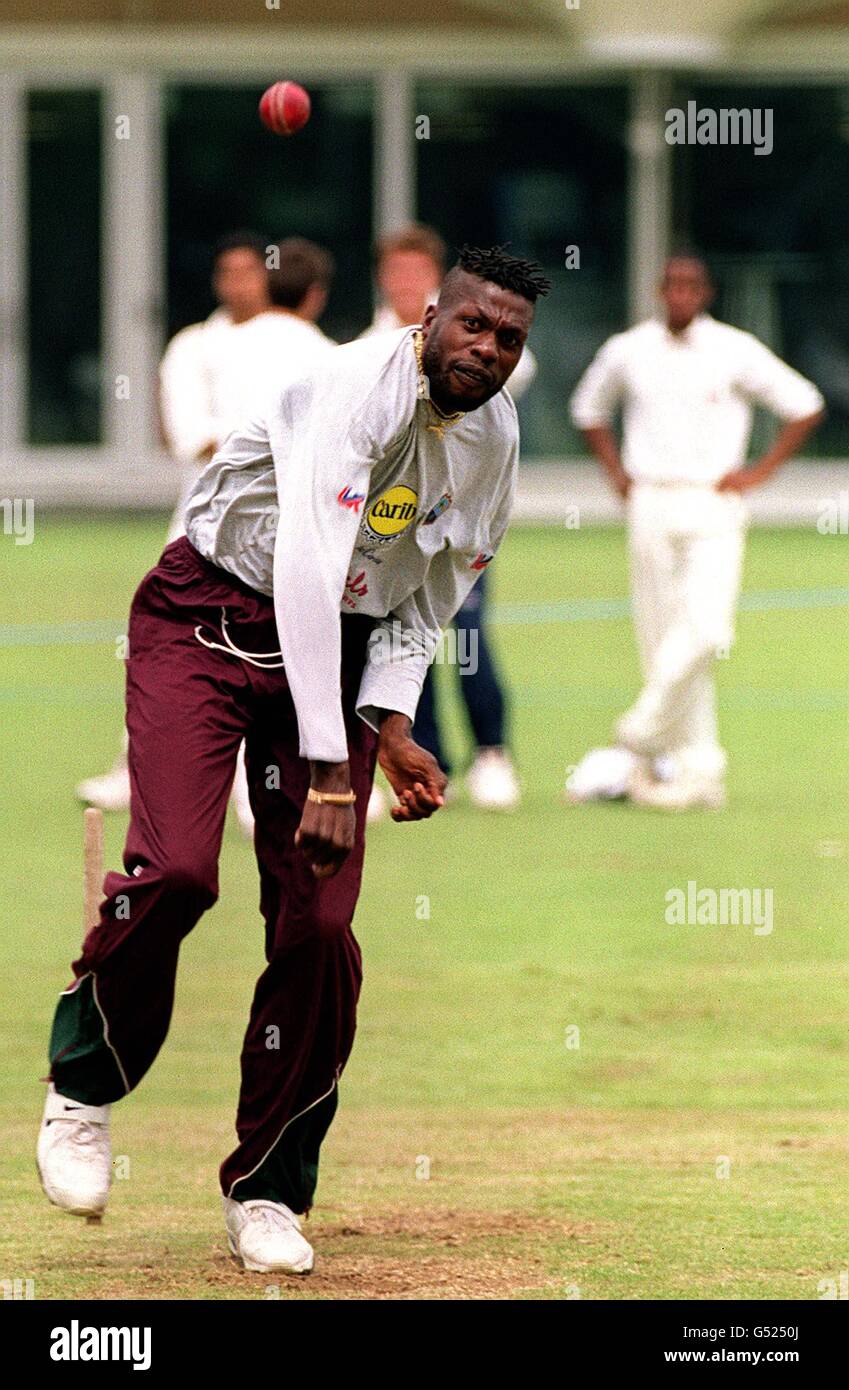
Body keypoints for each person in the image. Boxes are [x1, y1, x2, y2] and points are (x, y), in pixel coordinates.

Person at [37, 246, 550, 1276]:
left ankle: (268, 1186)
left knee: (318, 926)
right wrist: (330, 764)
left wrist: (393, 718)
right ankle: (83, 1087)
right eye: (473, 324)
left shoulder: (494, 438)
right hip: (205, 621)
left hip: (342, 649)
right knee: (180, 870)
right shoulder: (353, 388)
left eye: (509, 338)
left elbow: (431, 591)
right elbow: (310, 573)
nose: (487, 348)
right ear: (430, 314)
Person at [75, 234, 336, 835]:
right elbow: (191, 436)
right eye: (230, 273)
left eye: (251, 273)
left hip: (287, 526)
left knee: (277, 645)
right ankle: (139, 766)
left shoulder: (316, 349)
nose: (240, 285)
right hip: (202, 519)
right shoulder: (196, 346)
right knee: (172, 644)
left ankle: (277, 784)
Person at [567, 253, 823, 810]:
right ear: (660, 291)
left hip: (714, 499)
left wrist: (759, 473)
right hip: (651, 499)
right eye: (672, 285)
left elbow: (804, 405)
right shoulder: (629, 349)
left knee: (706, 630)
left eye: (691, 286)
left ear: (705, 292)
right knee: (662, 639)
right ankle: (698, 769)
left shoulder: (733, 348)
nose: (680, 295)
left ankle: (634, 739)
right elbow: (588, 409)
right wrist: (616, 474)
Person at [364, 225, 536, 813]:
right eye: (396, 272)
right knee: (401, 641)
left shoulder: (479, 327)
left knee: (464, 631)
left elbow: (514, 370)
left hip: (459, 515)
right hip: (393, 527)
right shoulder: (372, 343)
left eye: (416, 272)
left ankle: (492, 752)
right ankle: (429, 755)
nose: (404, 283)